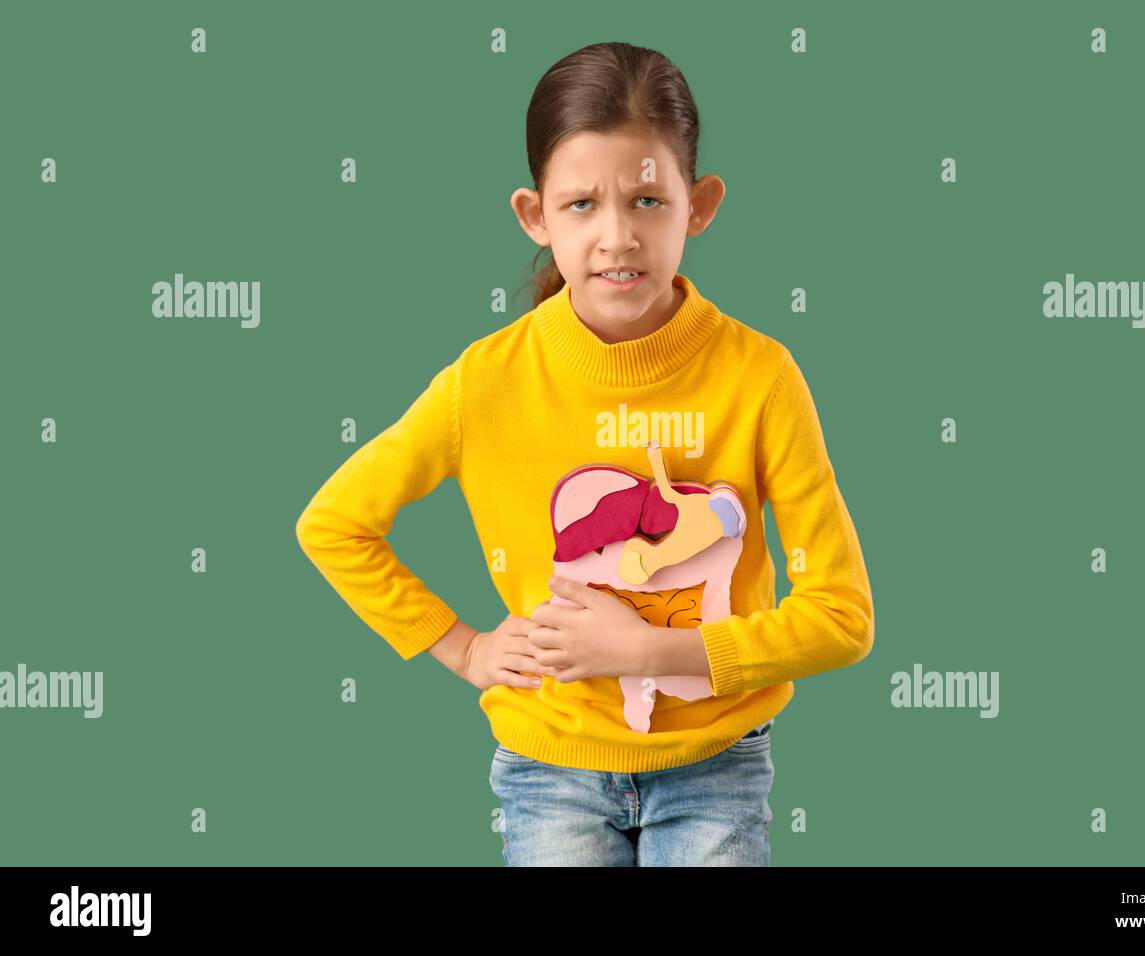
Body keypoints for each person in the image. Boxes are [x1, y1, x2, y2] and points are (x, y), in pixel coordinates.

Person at [295, 41, 875, 866]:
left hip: (717, 766)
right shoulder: (486, 382)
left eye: (648, 199)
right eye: (580, 205)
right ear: (535, 216)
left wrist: (652, 653)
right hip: (549, 770)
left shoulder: (761, 378)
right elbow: (334, 524)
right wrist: (464, 648)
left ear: (699, 204)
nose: (617, 237)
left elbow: (842, 618)